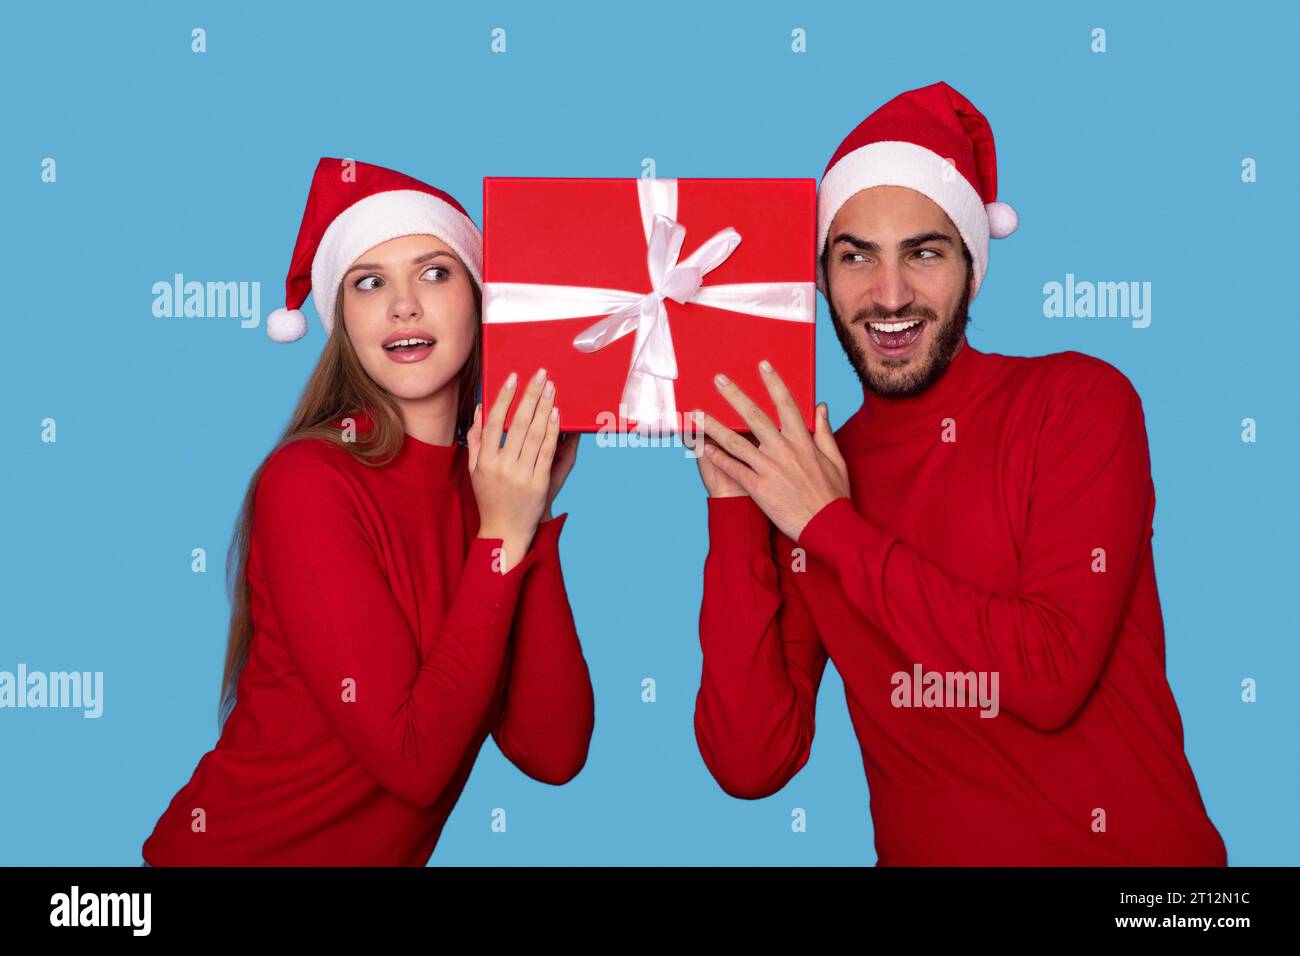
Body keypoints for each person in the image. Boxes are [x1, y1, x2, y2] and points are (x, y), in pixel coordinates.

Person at [687, 82, 1227, 865]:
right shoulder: (807, 478)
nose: (891, 295)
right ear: (820, 283)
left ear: (973, 271)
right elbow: (751, 762)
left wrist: (831, 526)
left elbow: (1049, 676)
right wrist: (738, 502)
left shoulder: (1077, 401)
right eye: (856, 256)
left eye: (924, 253)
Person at [142, 158, 593, 865]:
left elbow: (554, 751)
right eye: (370, 282)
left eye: (436, 273)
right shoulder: (308, 482)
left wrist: (526, 521)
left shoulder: (488, 497)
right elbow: (413, 763)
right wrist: (503, 532)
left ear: (479, 300)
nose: (404, 305)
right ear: (341, 320)